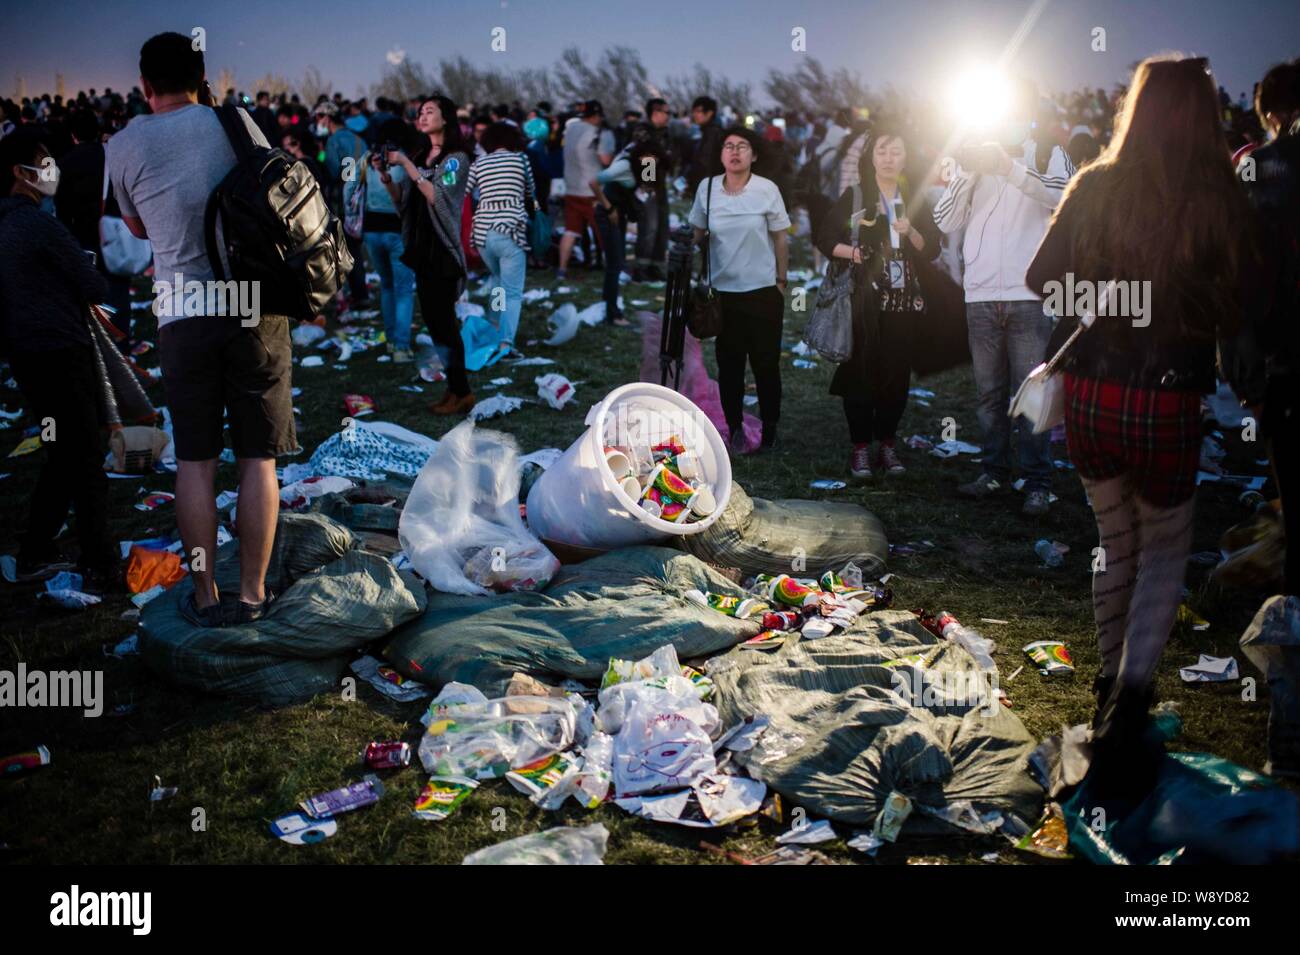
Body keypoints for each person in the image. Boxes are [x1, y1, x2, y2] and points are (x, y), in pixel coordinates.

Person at [1026, 55, 1255, 794]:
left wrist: (1106, 296)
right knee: (1162, 554)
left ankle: (1105, 686)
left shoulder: (1095, 184)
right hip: (1168, 398)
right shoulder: (1219, 195)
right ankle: (1130, 700)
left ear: (1137, 108)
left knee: (1114, 544)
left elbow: (1041, 278)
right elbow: (1244, 301)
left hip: (1093, 391)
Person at [106, 32, 293, 626]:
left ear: (144, 85)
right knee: (258, 459)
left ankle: (207, 595)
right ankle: (255, 596)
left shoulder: (125, 143)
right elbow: (276, 196)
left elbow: (135, 231)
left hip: (183, 314)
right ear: (201, 77)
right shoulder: (238, 123)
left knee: (194, 462)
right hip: (252, 308)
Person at [935, 77, 1076, 516]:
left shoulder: (1048, 153)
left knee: (1032, 392)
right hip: (979, 295)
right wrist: (974, 170)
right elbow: (943, 219)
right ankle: (993, 472)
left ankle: (1037, 482)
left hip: (1029, 294)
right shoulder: (971, 160)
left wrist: (1009, 167)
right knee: (988, 395)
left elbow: (1064, 200)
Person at [0, 128, 117, 586]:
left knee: (62, 453)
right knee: (85, 455)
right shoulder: (37, 224)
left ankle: (36, 550)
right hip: (60, 348)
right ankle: (99, 560)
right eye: (43, 160)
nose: (51, 169)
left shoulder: (8, 225)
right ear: (20, 172)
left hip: (27, 355)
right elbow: (94, 284)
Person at [815, 127, 942, 479]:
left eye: (896, 151)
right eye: (882, 151)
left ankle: (887, 443)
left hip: (904, 302)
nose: (889, 158)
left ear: (905, 157)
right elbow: (824, 237)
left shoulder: (913, 197)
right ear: (871, 157)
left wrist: (911, 233)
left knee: (896, 374)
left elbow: (933, 248)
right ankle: (860, 448)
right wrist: (853, 252)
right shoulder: (856, 197)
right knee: (860, 372)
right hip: (863, 300)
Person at [1224, 59, 1300, 596]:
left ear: (1270, 114)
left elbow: (1237, 281)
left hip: (1283, 366)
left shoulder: (1260, 171)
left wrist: (1244, 375)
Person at [690, 126, 790, 453]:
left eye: (742, 146)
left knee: (765, 364)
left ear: (754, 154)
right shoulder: (707, 189)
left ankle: (771, 427)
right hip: (723, 296)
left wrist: (780, 280)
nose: (735, 152)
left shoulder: (766, 190)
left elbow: (780, 237)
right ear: (720, 154)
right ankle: (734, 427)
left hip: (763, 291)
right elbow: (697, 232)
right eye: (729, 146)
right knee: (730, 365)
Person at [384, 94, 473, 415]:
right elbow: (405, 205)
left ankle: (462, 391)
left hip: (442, 252)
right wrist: (388, 182)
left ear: (445, 118)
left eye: (429, 112)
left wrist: (407, 165)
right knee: (435, 325)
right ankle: (453, 388)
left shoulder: (455, 159)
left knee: (446, 324)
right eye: (420, 112)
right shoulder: (422, 153)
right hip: (421, 249)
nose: (422, 117)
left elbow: (440, 197)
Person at [54, 108, 133, 345]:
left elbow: (61, 207)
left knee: (86, 292)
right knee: (118, 289)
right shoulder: (110, 156)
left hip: (80, 236)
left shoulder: (63, 163)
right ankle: (120, 340)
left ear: (73, 135)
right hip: (111, 231)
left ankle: (95, 342)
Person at [348, 117, 416, 363]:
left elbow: (349, 189)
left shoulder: (367, 159)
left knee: (386, 286)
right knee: (404, 289)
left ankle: (390, 341)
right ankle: (401, 347)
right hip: (398, 231)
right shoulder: (404, 159)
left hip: (371, 232)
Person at [465, 122, 536, 356]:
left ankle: (494, 326)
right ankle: (506, 342)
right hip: (510, 231)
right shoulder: (520, 160)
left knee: (497, 280)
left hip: (483, 233)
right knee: (512, 292)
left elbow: (465, 192)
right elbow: (530, 192)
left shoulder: (479, 163)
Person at [315, 100, 370, 312]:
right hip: (360, 196)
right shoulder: (359, 139)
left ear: (328, 118)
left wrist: (319, 153)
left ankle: (350, 294)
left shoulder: (333, 141)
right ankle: (361, 293)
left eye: (321, 118)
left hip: (340, 197)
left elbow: (330, 168)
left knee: (342, 247)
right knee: (355, 246)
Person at [558, 100, 613, 279]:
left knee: (570, 231)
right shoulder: (599, 132)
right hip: (592, 191)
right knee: (604, 230)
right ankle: (613, 267)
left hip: (571, 188)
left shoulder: (571, 129)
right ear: (597, 116)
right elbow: (605, 160)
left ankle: (561, 270)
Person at [632, 97, 674, 280]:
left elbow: (667, 158)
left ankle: (657, 266)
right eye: (666, 112)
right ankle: (642, 267)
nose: (668, 117)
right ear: (655, 113)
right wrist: (649, 185)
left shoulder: (665, 134)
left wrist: (661, 157)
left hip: (661, 184)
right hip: (647, 185)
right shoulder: (642, 131)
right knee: (649, 227)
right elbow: (647, 158)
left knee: (662, 227)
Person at [687, 96, 725, 196]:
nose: (695, 114)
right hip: (704, 187)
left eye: (698, 111)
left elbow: (706, 164)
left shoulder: (713, 133)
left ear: (709, 113)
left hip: (708, 189)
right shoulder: (706, 132)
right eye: (694, 111)